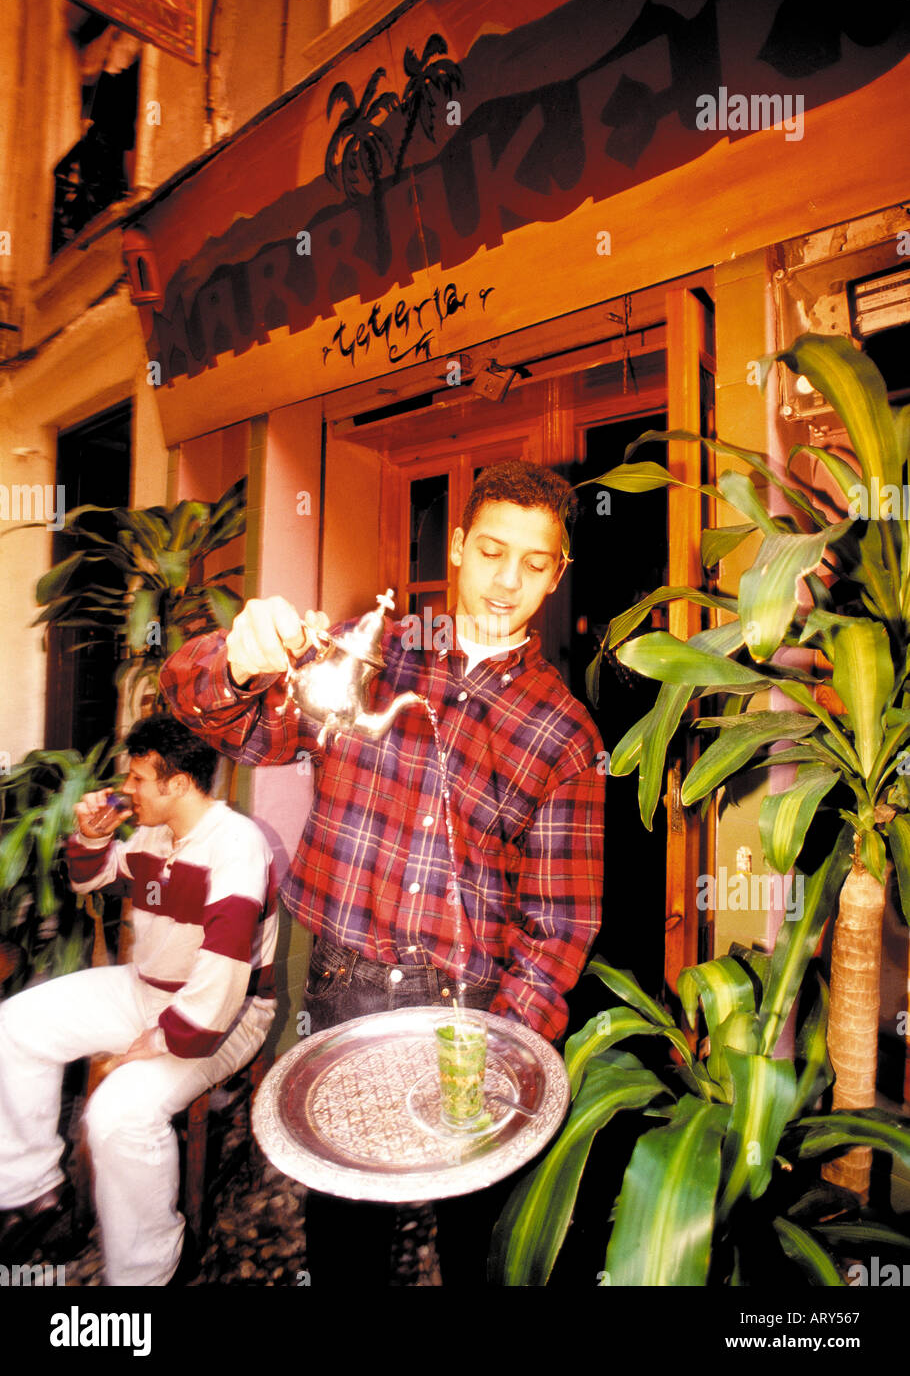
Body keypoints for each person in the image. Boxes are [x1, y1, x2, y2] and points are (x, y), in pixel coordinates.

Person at [160, 459, 605, 1282]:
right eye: (493, 552)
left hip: (469, 1009)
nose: (508, 581)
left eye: (535, 563)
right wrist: (240, 659)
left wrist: (509, 1038)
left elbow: (561, 922)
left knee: (476, 1237)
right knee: (345, 1231)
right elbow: (219, 717)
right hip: (340, 988)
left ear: (558, 573)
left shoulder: (566, 732)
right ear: (460, 546)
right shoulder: (370, 656)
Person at [0, 715, 276, 1285]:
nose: (127, 790)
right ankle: (30, 1191)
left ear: (178, 784)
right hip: (145, 988)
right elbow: (92, 879)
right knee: (14, 1024)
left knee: (119, 1115)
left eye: (139, 778)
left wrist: (165, 1036)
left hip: (226, 1015)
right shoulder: (155, 836)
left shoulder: (238, 846)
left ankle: (150, 1273)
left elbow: (223, 971)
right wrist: (96, 835)